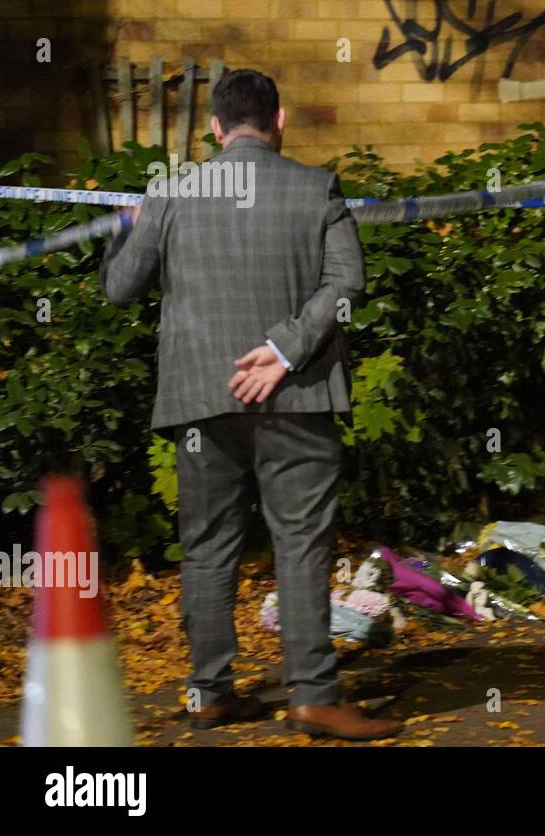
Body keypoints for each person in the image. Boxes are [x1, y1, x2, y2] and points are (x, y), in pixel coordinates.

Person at [100, 69, 402, 740]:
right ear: (279, 120)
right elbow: (347, 282)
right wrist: (285, 348)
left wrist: (126, 228)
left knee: (206, 546)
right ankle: (312, 695)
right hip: (297, 396)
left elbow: (120, 289)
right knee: (301, 545)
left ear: (215, 127)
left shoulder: (170, 193)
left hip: (199, 400)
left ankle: (209, 693)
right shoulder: (317, 187)